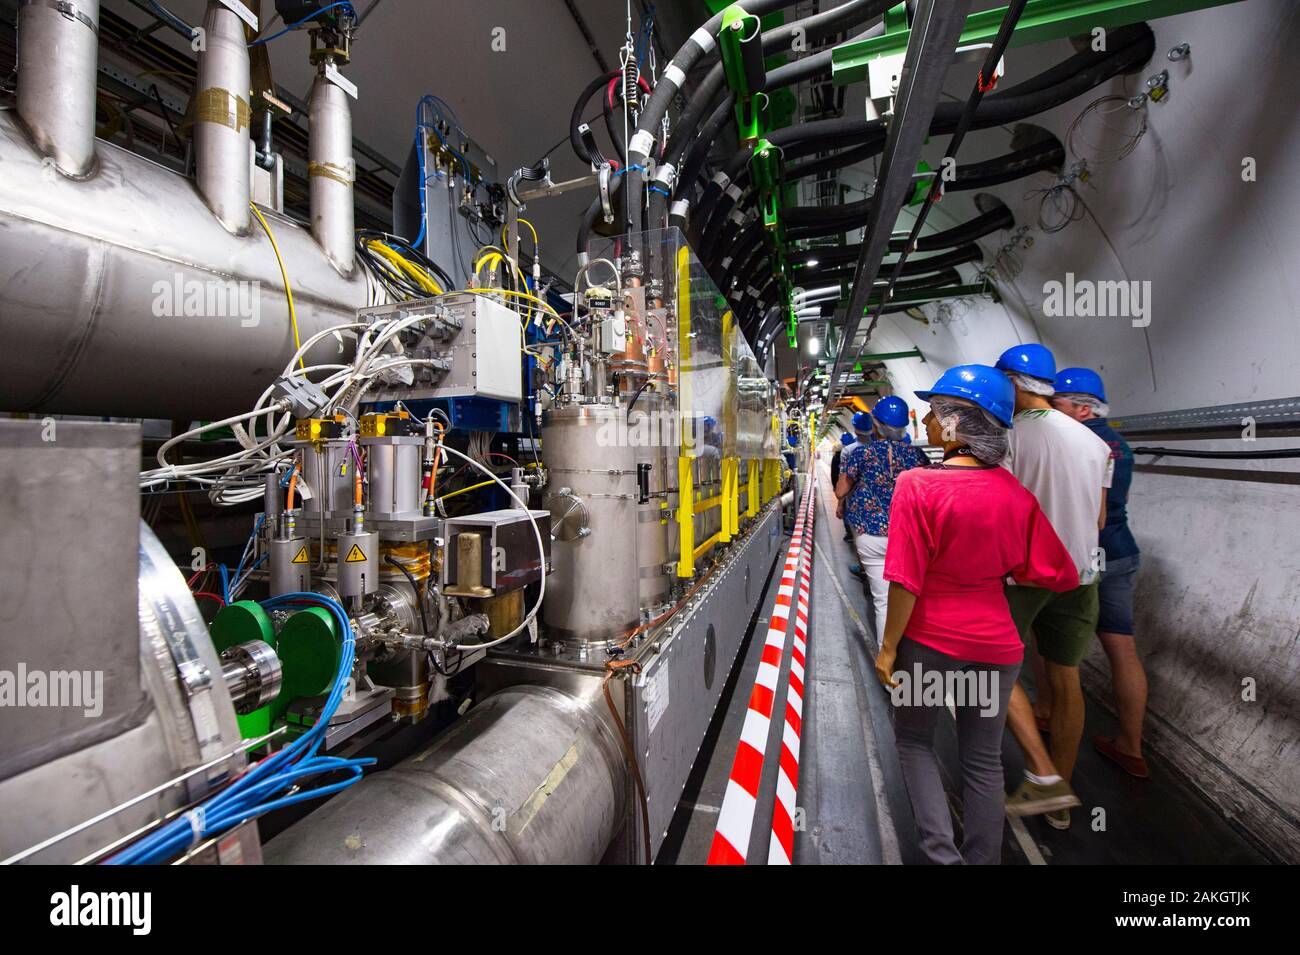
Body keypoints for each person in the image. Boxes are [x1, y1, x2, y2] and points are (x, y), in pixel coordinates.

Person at [874, 365, 1078, 864]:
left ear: (956, 425)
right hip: (996, 647)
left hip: (929, 643)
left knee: (916, 742)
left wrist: (888, 648)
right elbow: (1055, 572)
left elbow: (905, 581)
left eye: (933, 412)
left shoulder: (918, 485)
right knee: (982, 759)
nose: (923, 420)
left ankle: (943, 857)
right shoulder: (1016, 495)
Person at [994, 344, 1113, 830]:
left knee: (994, 669)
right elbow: (1100, 518)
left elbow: (995, 509)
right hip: (1081, 572)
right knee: (1067, 680)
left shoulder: (1007, 437)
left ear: (1015, 383)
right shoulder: (1096, 444)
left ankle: (1041, 772)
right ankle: (1060, 796)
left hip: (1024, 573)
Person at [1053, 368, 1149, 778]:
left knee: (1058, 644)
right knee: (1121, 648)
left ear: (1083, 408)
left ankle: (1046, 713)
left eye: (1057, 406)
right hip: (1121, 551)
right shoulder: (1119, 444)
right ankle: (1131, 745)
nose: (1053, 413)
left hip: (1087, 555)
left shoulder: (1081, 444)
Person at [835, 399, 928, 641]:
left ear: (875, 425)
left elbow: (840, 490)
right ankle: (912, 657)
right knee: (910, 598)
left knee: (883, 601)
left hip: (871, 535)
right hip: (907, 536)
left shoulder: (861, 453)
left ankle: (888, 667)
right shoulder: (917, 456)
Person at [831, 432, 858, 542]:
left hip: (847, 486)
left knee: (846, 507)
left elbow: (835, 473)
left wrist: (835, 487)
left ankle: (850, 532)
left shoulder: (841, 454)